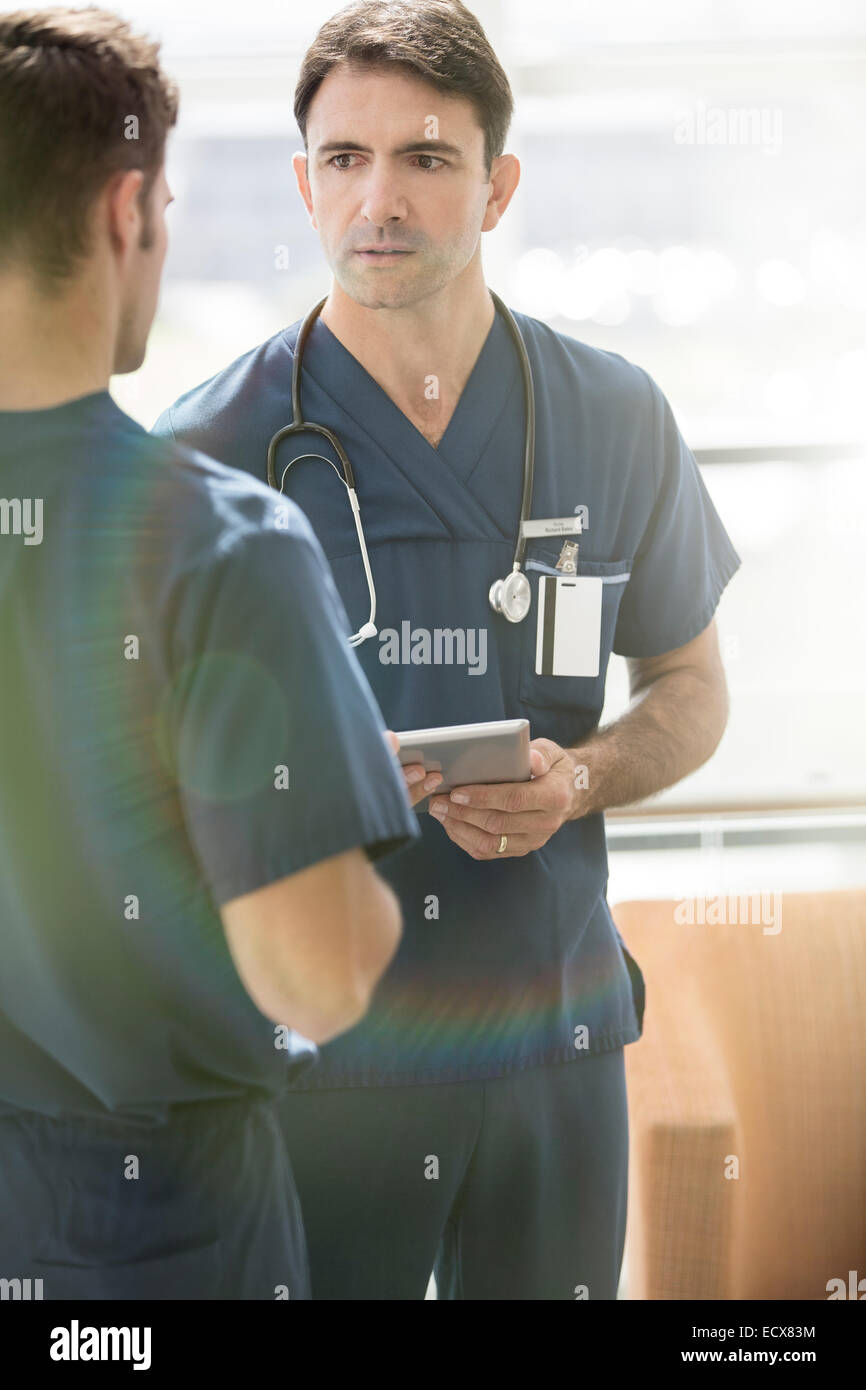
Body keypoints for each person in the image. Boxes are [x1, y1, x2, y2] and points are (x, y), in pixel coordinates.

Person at [153, 0, 742, 1300]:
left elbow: (691, 692)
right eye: (346, 160)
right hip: (324, 1059)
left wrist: (578, 779)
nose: (382, 197)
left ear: (496, 187)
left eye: (426, 158)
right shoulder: (206, 455)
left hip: (556, 1040)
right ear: (303, 186)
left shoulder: (612, 414)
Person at [0, 6, 418, 1300]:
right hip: (150, 1232)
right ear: (127, 212)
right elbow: (321, 974)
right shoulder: (219, 544)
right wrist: (329, 803)